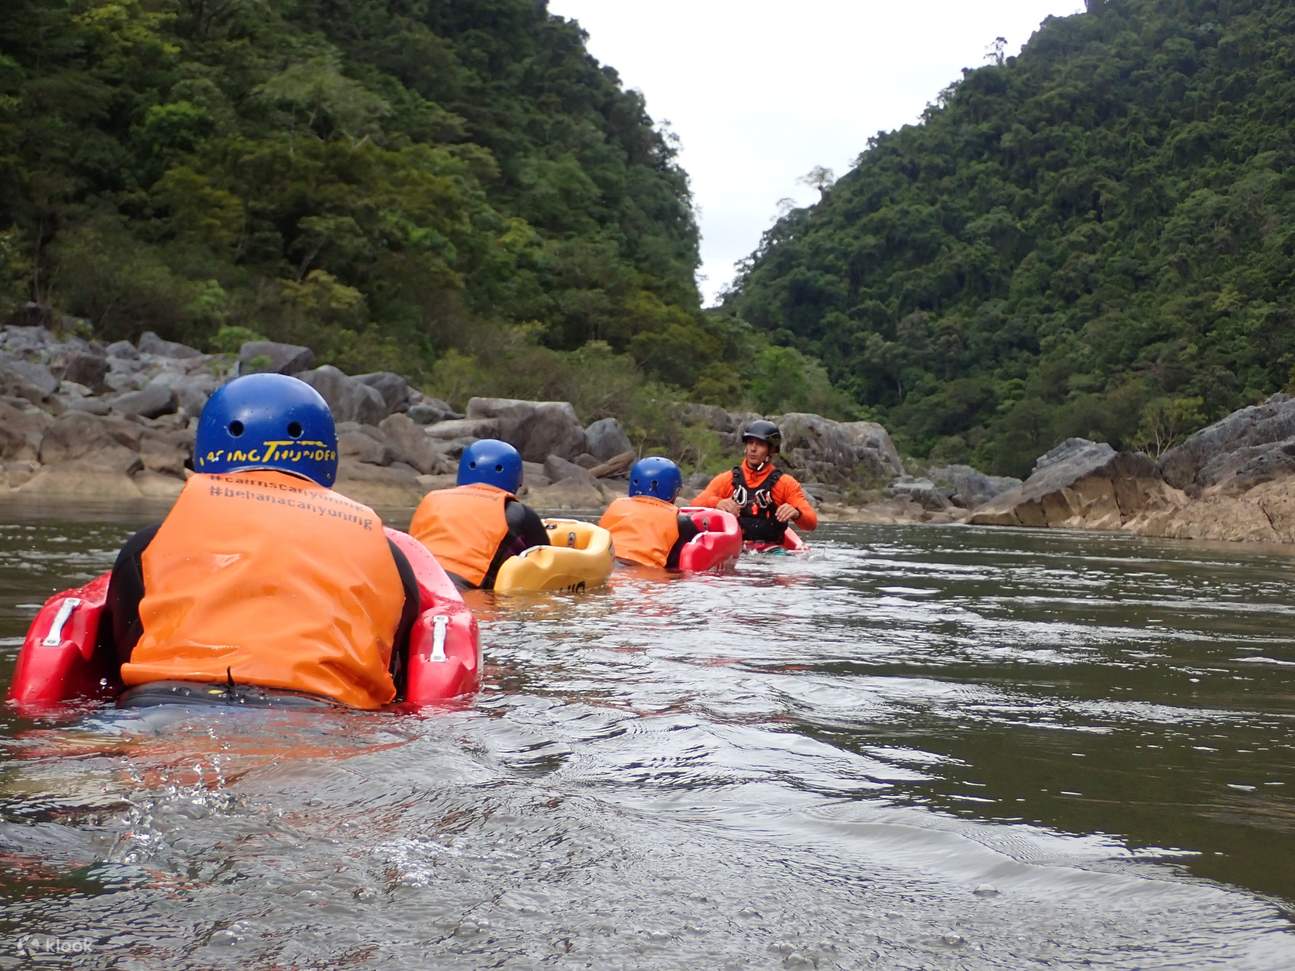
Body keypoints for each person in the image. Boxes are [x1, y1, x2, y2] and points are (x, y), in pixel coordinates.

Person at [101, 373, 421, 710]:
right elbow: (394, 670)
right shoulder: (388, 556)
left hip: (162, 711)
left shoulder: (149, 545)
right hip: (318, 723)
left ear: (207, 447)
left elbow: (118, 655)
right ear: (326, 453)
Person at [409, 439, 549, 590]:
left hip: (414, 586)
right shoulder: (520, 514)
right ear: (517, 479)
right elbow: (547, 563)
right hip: (466, 592)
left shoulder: (431, 499)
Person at [689, 419, 818, 543]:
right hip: (735, 548)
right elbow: (694, 505)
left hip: (771, 552)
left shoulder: (785, 484)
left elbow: (811, 523)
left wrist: (796, 513)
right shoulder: (727, 479)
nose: (753, 449)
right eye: (750, 443)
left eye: (760, 444)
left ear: (771, 450)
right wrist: (717, 503)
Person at [598, 457, 700, 570]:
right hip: (644, 573)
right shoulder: (680, 521)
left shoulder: (615, 506)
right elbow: (696, 551)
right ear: (674, 491)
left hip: (604, 564)